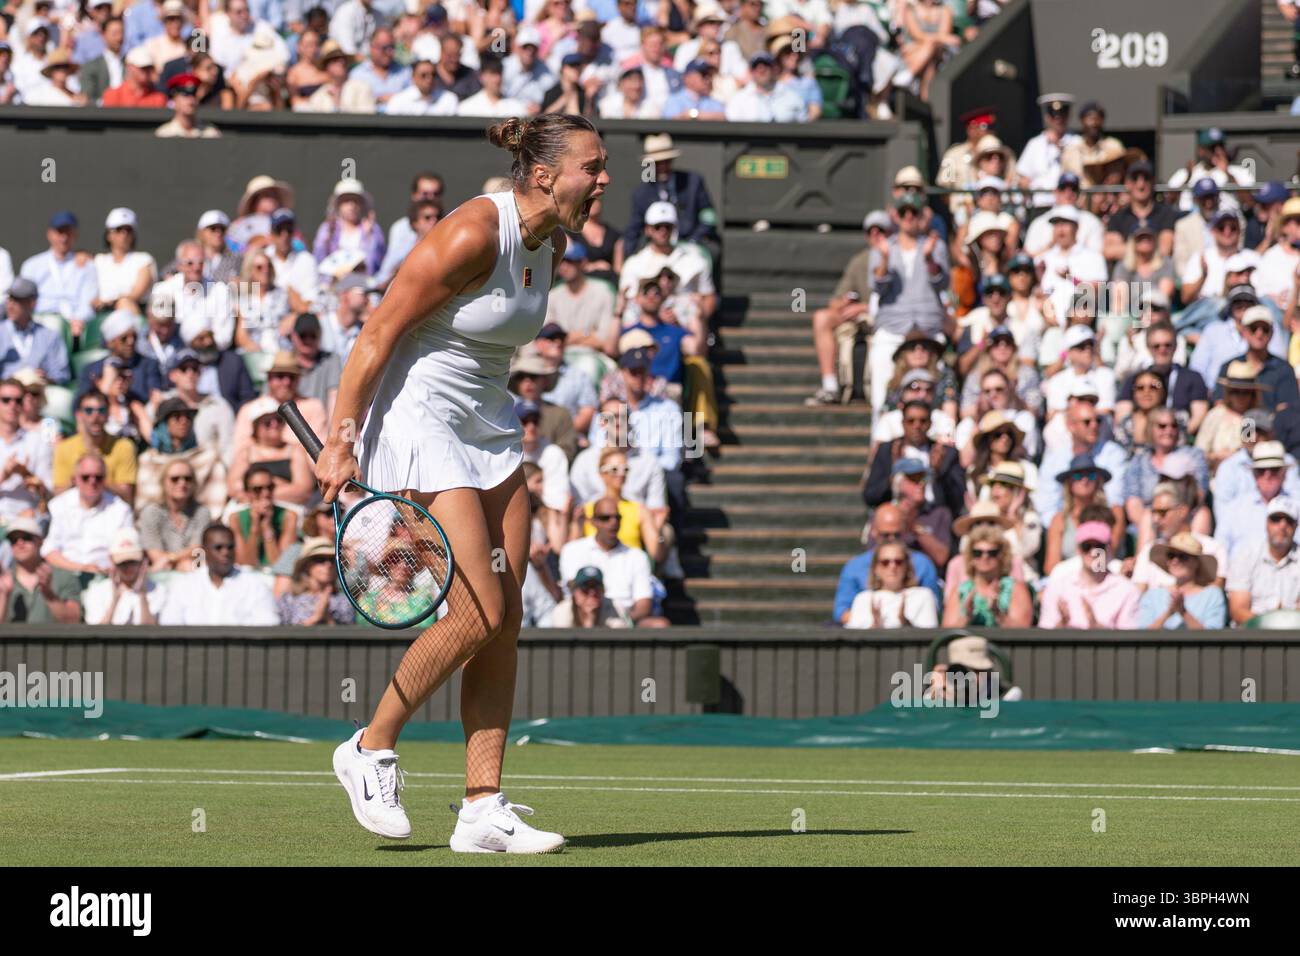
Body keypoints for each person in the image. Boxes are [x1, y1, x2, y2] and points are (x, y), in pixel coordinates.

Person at [314, 115, 607, 853]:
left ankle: (481, 809)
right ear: (544, 175)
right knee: (474, 613)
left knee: (505, 618)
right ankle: (369, 747)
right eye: (593, 168)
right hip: (420, 421)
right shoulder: (474, 232)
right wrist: (341, 438)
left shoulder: (553, 244)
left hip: (490, 426)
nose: (605, 181)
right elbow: (378, 331)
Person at [159, 522, 279, 625]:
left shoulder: (255, 586)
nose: (225, 552)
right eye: (218, 547)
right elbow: (170, 625)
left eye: (230, 547)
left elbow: (268, 625)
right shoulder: (184, 586)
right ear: (204, 550)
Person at [42, 453, 135, 582]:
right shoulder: (58, 506)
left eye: (98, 477)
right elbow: (49, 551)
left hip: (106, 578)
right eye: (85, 477)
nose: (92, 482)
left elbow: (126, 552)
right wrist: (82, 568)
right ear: (74, 479)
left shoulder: (121, 510)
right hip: (65, 575)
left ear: (105, 479)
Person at [1038, 514, 1140, 629]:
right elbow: (1045, 631)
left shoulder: (1126, 590)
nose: (1093, 552)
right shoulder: (1057, 588)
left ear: (1108, 548)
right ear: (1078, 549)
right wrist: (1062, 625)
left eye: (1099, 546)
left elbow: (1128, 637)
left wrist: (1096, 628)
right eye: (1086, 546)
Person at [1226, 496, 1300, 624]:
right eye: (1276, 519)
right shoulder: (1245, 555)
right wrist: (1271, 625)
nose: (1282, 525)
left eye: (1289, 521)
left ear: (1296, 526)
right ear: (1266, 523)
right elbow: (1238, 610)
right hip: (1250, 632)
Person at [941, 525, 1033, 628]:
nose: (985, 557)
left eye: (992, 553)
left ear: (1002, 556)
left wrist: (998, 614)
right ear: (971, 557)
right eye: (977, 553)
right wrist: (967, 616)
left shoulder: (1015, 589)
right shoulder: (960, 591)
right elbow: (947, 631)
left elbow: (1023, 631)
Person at [1216, 441, 1297, 557]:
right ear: (1253, 474)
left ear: (1284, 473)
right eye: (1261, 470)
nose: (1267, 475)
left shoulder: (1296, 505)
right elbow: (1220, 549)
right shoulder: (1235, 509)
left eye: (1274, 469)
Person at [1136, 533, 1226, 630]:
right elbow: (1143, 635)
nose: (1175, 561)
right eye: (1171, 555)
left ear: (1196, 562)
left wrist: (1183, 611)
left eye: (1183, 556)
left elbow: (1212, 636)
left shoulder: (1212, 595)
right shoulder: (1153, 595)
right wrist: (1169, 612)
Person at [0, 517, 81, 623]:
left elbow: (74, 621)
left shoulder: (64, 576)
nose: (20, 543)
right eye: (13, 540)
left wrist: (49, 594)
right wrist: (3, 596)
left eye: (26, 537)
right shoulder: (3, 580)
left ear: (40, 541)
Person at [845, 540, 938, 628]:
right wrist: (874, 627)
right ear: (876, 568)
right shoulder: (863, 599)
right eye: (885, 562)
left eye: (898, 562)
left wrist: (906, 624)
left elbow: (930, 635)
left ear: (907, 566)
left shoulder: (923, 596)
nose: (892, 566)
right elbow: (854, 637)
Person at [82, 529, 166, 626]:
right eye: (122, 563)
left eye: (132, 562)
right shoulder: (97, 591)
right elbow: (96, 633)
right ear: (112, 561)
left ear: (143, 560)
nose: (128, 568)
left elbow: (151, 632)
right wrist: (115, 600)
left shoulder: (158, 590)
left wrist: (142, 595)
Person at [277, 536, 355, 625]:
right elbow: (282, 632)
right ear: (306, 565)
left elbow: (348, 633)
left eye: (332, 560)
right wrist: (316, 617)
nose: (328, 565)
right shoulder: (288, 600)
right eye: (320, 559)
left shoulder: (344, 601)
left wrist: (327, 617)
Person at [539, 564, 632, 627]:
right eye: (585, 588)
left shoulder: (615, 608)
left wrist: (591, 621)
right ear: (575, 593)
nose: (592, 593)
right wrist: (588, 623)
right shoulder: (562, 611)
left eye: (596, 587)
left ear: (603, 591)